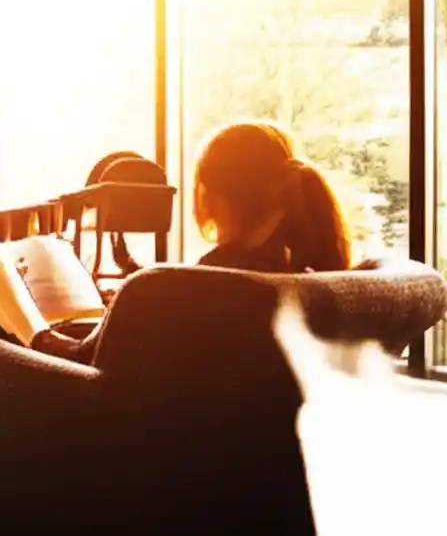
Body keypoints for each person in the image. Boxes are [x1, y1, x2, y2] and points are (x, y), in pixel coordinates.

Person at [29, 120, 352, 363]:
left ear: (211, 199)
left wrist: (34, 332)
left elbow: (85, 357)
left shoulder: (214, 280)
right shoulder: (297, 273)